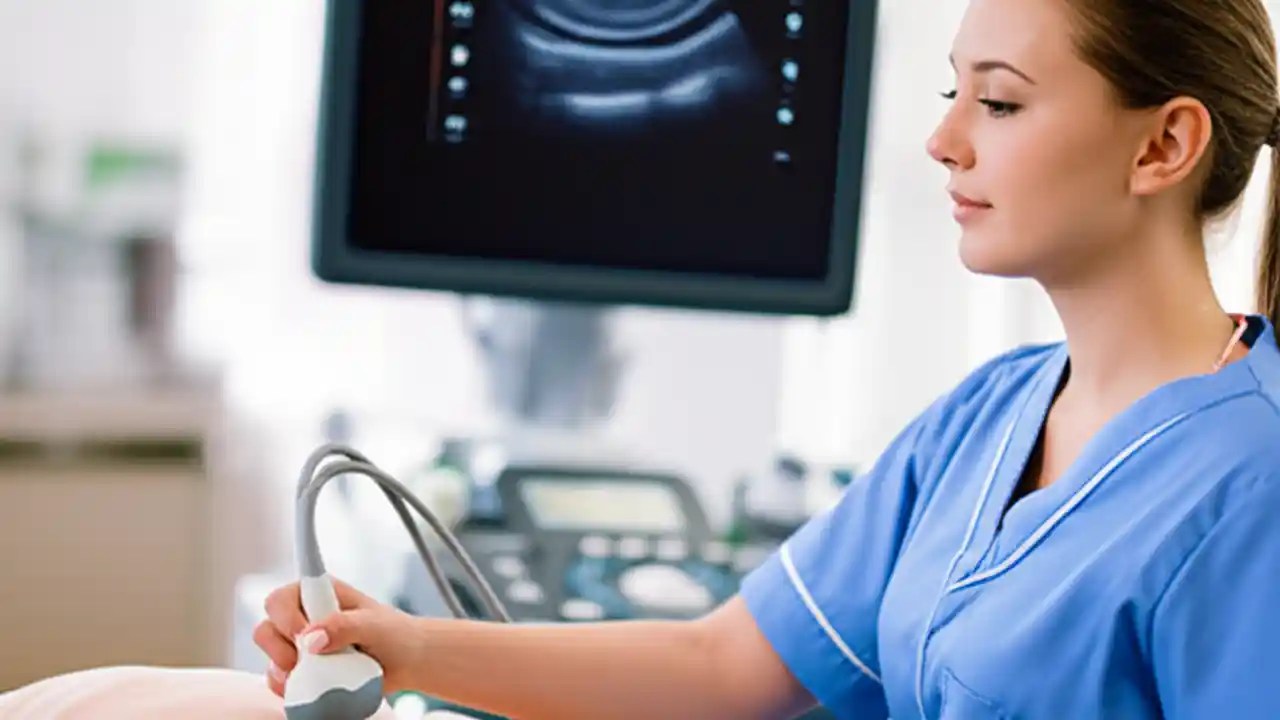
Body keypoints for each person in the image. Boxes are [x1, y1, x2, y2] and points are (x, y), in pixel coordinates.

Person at [257, 0, 1280, 717]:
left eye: (998, 103)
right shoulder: (987, 417)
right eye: (950, 94)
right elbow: (721, 669)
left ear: (1160, 146)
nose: (941, 140)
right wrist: (407, 650)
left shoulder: (1250, 483)